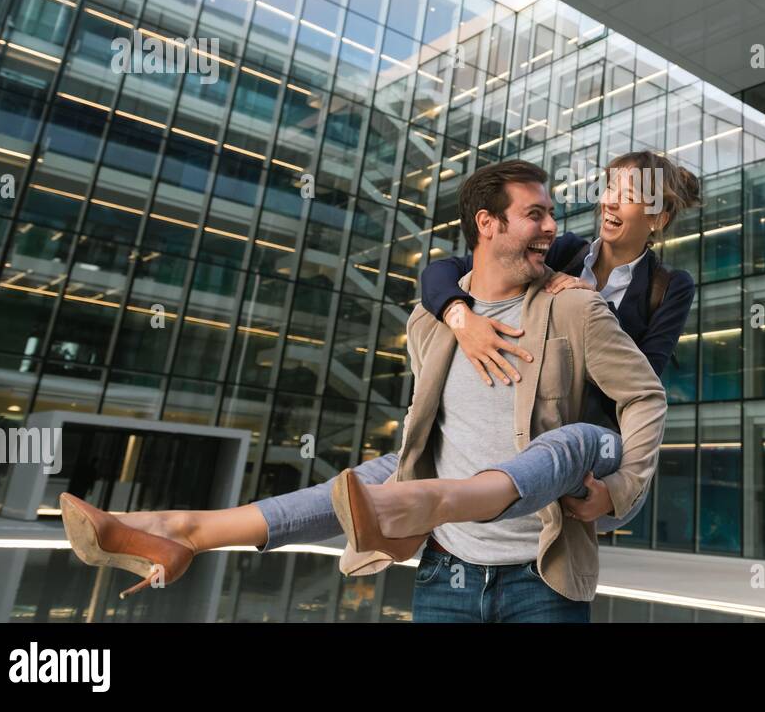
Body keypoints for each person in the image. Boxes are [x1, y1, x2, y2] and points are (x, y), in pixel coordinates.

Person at [60, 154, 699, 619]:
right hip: (454, 560)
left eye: (628, 197)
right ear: (488, 223)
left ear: (661, 216)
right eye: (602, 194)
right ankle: (182, 529)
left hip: (589, 446)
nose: (596, 210)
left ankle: (414, 505)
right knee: (380, 475)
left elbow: (644, 378)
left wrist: (619, 490)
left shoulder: (629, 293)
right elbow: (445, 270)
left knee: (566, 441)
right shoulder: (528, 273)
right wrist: (460, 314)